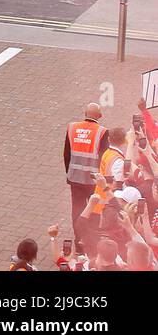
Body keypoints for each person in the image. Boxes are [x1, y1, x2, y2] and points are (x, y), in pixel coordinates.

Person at [64, 103, 106, 253]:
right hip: (94, 181)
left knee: (77, 210)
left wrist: (69, 174)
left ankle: (79, 242)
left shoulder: (72, 128)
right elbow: (103, 158)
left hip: (75, 178)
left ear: (85, 113)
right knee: (94, 209)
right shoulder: (102, 132)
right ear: (99, 116)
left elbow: (66, 154)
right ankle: (91, 240)